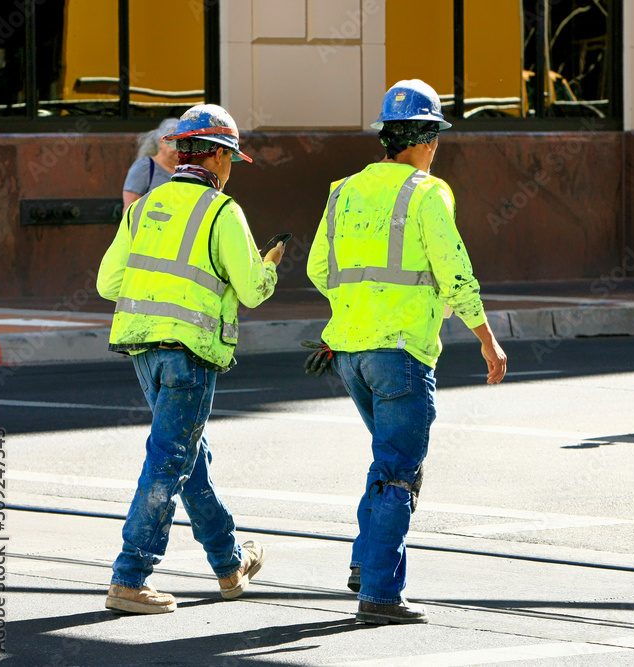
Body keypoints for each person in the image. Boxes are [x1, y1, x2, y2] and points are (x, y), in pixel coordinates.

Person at [307, 79, 507, 625]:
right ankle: (380, 593)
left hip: (348, 351)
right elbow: (456, 273)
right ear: (424, 140)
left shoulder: (342, 191)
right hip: (401, 353)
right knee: (400, 469)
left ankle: (362, 560)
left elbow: (318, 270)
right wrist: (486, 338)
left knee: (386, 457)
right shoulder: (426, 192)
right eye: (436, 138)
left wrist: (357, 307)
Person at [97, 103, 285, 614]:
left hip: (141, 346)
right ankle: (130, 576)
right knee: (169, 460)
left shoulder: (144, 208)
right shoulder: (223, 213)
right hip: (191, 352)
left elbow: (107, 283)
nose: (230, 170)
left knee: (186, 457)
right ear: (220, 158)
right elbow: (250, 291)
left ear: (181, 152)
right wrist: (268, 266)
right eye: (231, 160)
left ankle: (229, 565)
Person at [123, 117, 180, 207]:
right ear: (161, 142)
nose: (179, 147)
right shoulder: (145, 167)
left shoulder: (189, 168)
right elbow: (130, 209)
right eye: (174, 142)